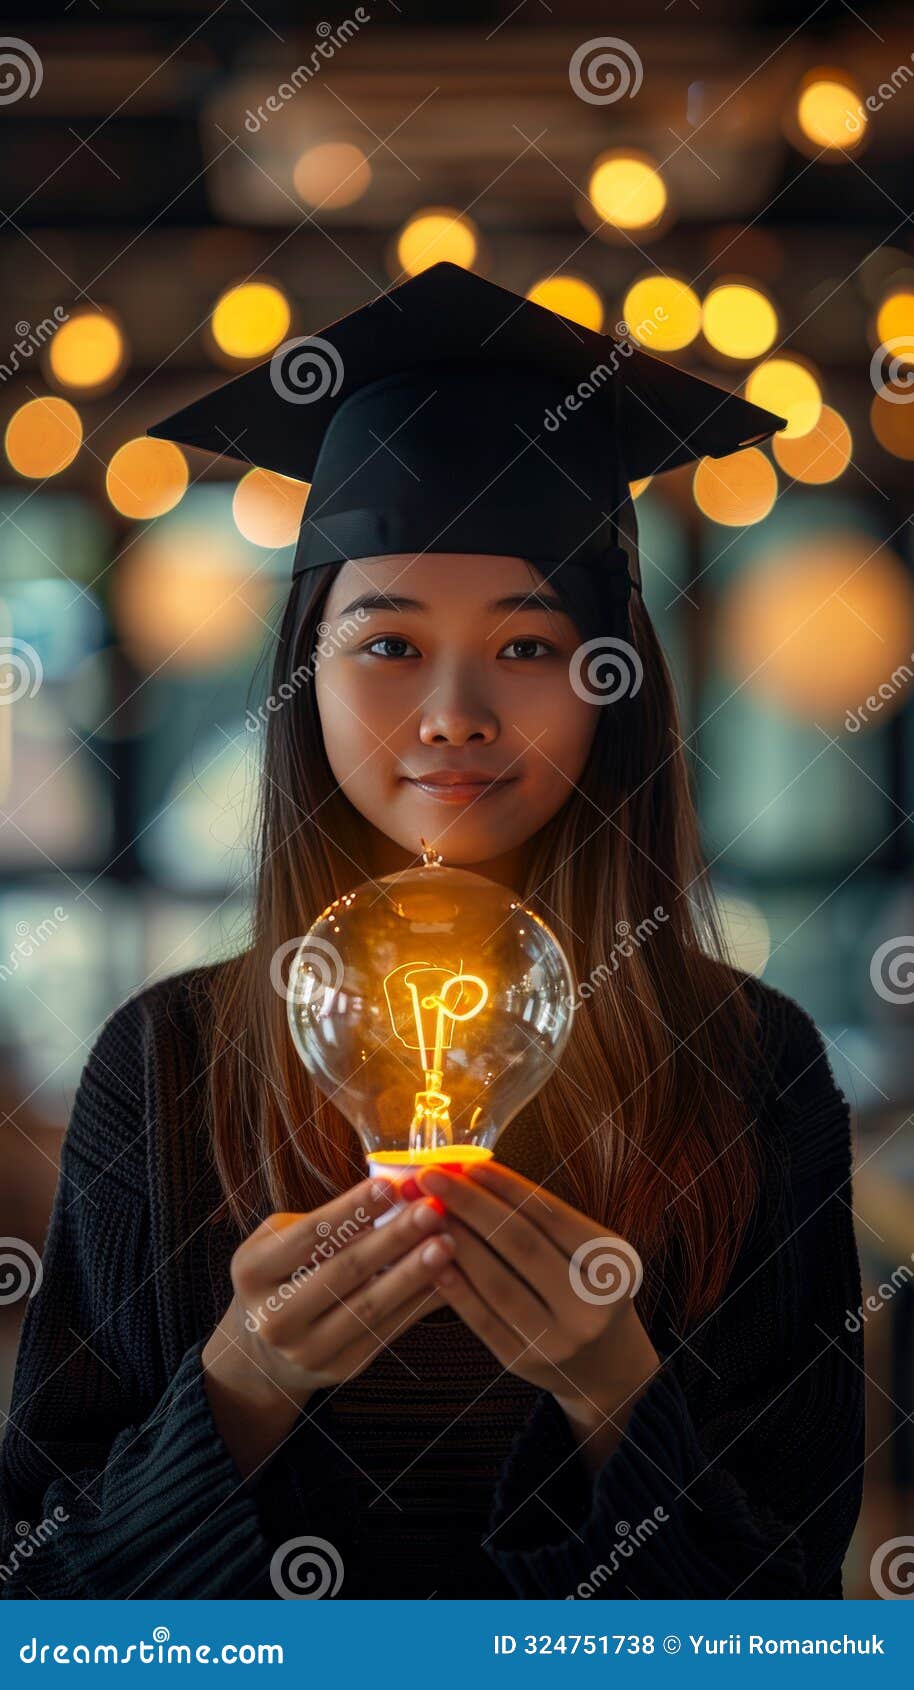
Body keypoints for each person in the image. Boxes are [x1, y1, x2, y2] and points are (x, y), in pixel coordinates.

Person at [0, 265, 863, 1600]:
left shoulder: (752, 1064)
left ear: (614, 681)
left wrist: (611, 1388)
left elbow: (784, 1616)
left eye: (526, 647)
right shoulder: (165, 1063)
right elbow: (44, 1603)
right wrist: (244, 1382)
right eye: (389, 644)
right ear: (305, 674)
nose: (453, 712)